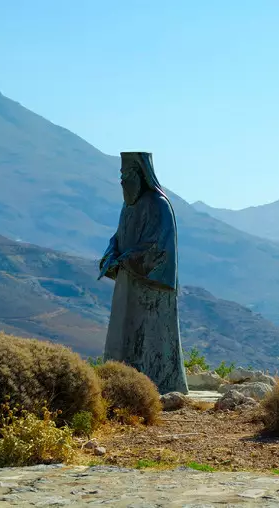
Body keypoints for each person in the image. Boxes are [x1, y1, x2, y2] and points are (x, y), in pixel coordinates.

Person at [99, 152, 189, 394]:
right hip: (128, 281)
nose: (122, 182)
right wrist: (110, 255)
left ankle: (158, 384)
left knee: (150, 336)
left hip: (152, 286)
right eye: (121, 176)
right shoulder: (127, 208)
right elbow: (117, 238)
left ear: (140, 175)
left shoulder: (159, 205)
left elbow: (159, 247)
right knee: (123, 331)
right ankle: (120, 383)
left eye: (126, 175)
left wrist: (127, 259)